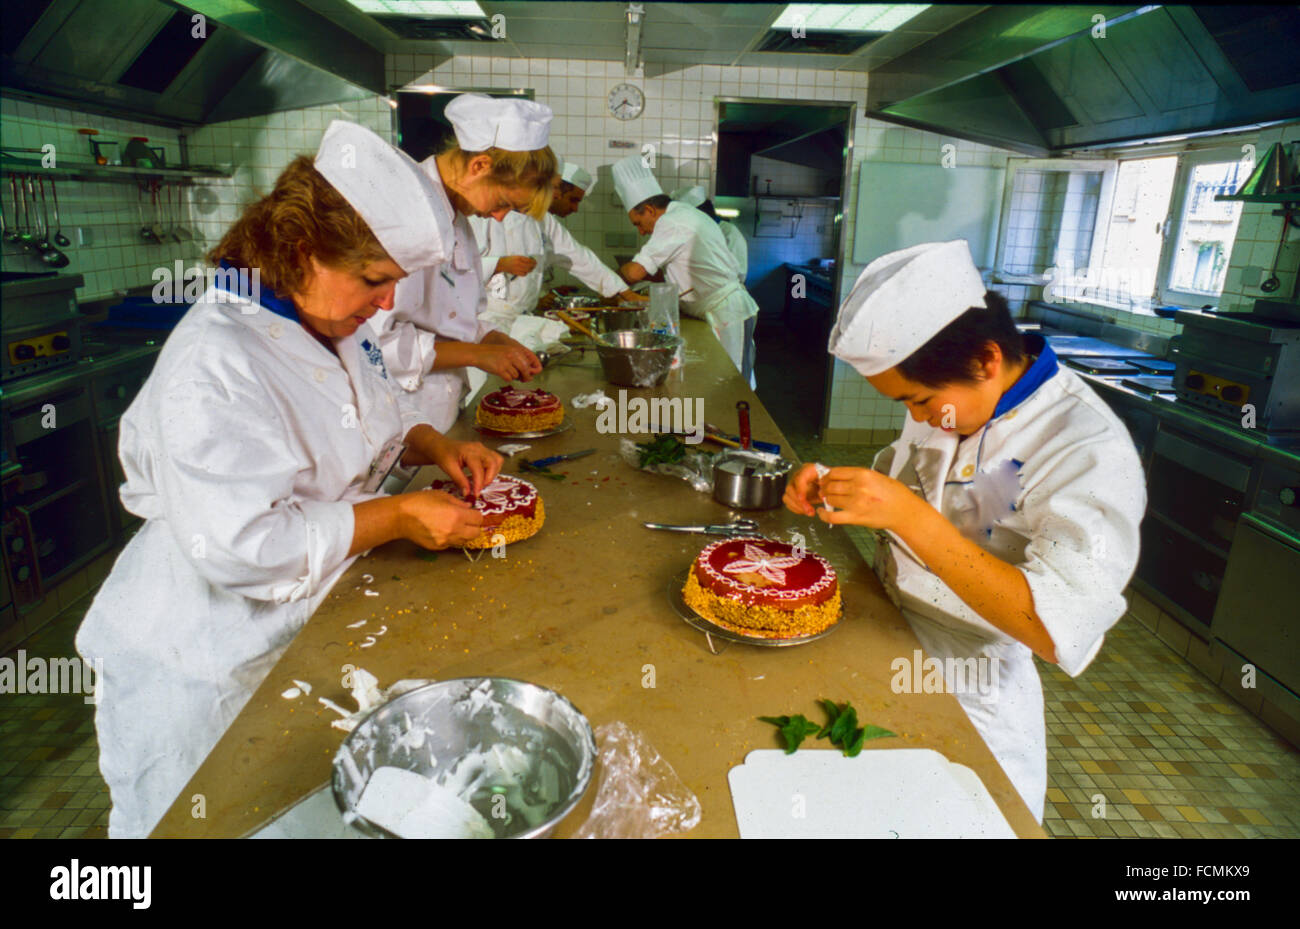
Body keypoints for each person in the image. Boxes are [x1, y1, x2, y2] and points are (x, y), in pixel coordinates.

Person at [75, 121, 504, 838]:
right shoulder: (215, 360)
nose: (384, 305)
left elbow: (376, 410)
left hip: (291, 631)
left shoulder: (329, 320)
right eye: (374, 282)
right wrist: (399, 517)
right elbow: (248, 544)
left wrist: (432, 441)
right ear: (304, 252)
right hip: (200, 657)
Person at [783, 239, 1146, 823]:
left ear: (985, 359)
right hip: (890, 635)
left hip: (973, 685)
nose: (920, 418)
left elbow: (1059, 629)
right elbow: (940, 489)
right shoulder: (967, 399)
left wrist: (908, 516)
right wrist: (837, 485)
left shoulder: (1086, 449)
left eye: (920, 401)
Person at [369, 93, 556, 432]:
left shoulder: (457, 219)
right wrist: (474, 355)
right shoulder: (408, 213)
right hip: (399, 415)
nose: (498, 218)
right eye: (502, 202)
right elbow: (376, 341)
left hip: (440, 409)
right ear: (479, 166)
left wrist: (496, 341)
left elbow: (457, 319)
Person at [613, 156, 759, 386]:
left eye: (638, 223)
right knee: (717, 382)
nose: (641, 232)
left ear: (650, 210)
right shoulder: (680, 215)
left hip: (728, 313)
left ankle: (745, 422)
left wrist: (612, 278)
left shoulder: (672, 222)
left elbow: (634, 273)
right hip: (713, 311)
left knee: (734, 384)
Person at [470, 161, 641, 323]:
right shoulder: (484, 214)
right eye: (555, 187)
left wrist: (621, 290)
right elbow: (457, 269)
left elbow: (578, 257)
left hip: (523, 317)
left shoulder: (543, 220)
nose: (557, 194)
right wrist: (499, 264)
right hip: (485, 316)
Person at [671, 185, 747, 283]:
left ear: (701, 213)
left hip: (724, 294)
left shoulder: (729, 233)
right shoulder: (691, 234)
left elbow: (738, 275)